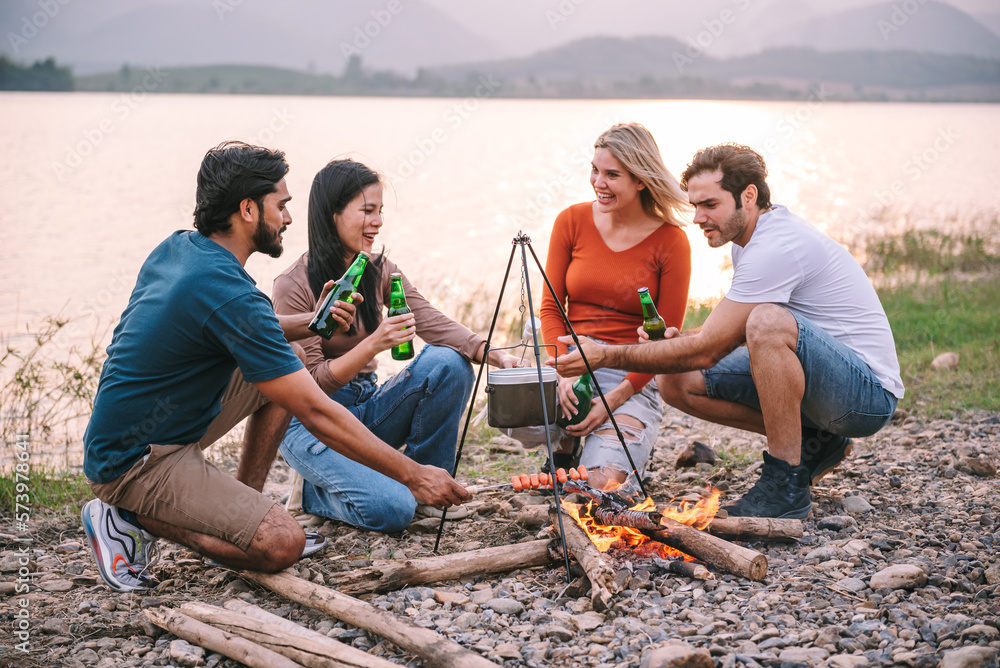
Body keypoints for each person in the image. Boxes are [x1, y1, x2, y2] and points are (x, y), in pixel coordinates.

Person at [81, 142, 468, 593]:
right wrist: (413, 473)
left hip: (145, 430)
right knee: (282, 544)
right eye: (280, 205)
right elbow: (316, 410)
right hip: (133, 462)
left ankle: (244, 505)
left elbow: (248, 322)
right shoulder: (228, 291)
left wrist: (312, 322)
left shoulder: (183, 249)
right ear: (248, 210)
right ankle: (124, 518)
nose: (288, 217)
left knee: (298, 355)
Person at [553, 143, 903, 519]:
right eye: (695, 206)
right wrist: (680, 341)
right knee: (676, 380)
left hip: (865, 397)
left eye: (710, 204)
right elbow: (721, 334)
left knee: (766, 322)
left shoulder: (776, 245)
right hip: (824, 384)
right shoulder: (747, 242)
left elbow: (711, 349)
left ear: (748, 196)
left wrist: (606, 354)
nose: (698, 217)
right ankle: (818, 443)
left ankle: (784, 483)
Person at [272, 158, 523, 534]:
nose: (378, 222)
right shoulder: (293, 285)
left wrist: (494, 353)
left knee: (447, 362)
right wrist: (374, 344)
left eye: (380, 212)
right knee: (391, 510)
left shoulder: (380, 269)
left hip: (366, 409)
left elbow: (431, 321)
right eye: (367, 211)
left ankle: (428, 487)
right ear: (332, 214)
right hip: (312, 424)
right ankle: (309, 494)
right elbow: (313, 387)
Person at [533, 122, 692, 498]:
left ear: (640, 180)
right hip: (568, 363)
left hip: (629, 377)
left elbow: (663, 344)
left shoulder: (672, 242)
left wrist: (615, 398)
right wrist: (565, 369)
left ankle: (607, 445)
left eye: (612, 175)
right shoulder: (570, 221)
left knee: (600, 490)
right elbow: (551, 308)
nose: (598, 182)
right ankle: (564, 445)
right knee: (513, 408)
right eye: (595, 170)